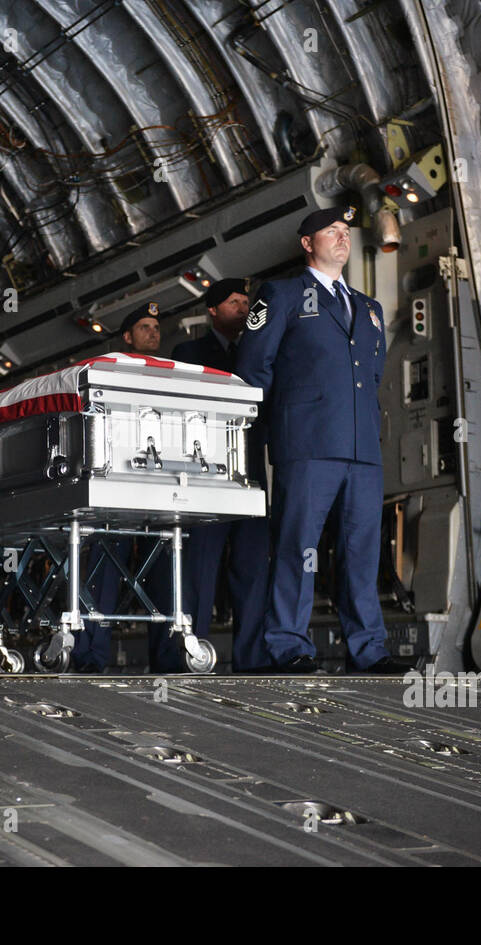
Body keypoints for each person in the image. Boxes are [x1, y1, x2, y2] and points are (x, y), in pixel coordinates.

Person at [235, 205, 402, 674]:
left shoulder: (368, 309)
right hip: (307, 444)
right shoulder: (281, 294)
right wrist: (274, 429)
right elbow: (252, 367)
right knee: (297, 546)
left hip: (362, 447)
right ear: (307, 243)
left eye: (346, 231)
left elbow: (370, 373)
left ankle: (369, 649)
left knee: (362, 550)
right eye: (331, 230)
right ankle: (288, 645)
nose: (342, 237)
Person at [72, 301, 181, 672]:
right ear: (127, 337)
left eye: (156, 326)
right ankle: (91, 656)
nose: (154, 332)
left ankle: (168, 659)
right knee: (105, 570)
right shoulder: (109, 371)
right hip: (117, 482)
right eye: (145, 327)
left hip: (158, 485)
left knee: (165, 572)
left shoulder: (170, 375)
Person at [172, 278, 274, 672]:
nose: (244, 309)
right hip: (207, 478)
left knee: (251, 570)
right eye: (234, 303)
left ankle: (251, 659)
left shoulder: (258, 349)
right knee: (201, 571)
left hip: (249, 475)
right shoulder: (191, 352)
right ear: (213, 310)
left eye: (247, 302)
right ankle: (191, 656)